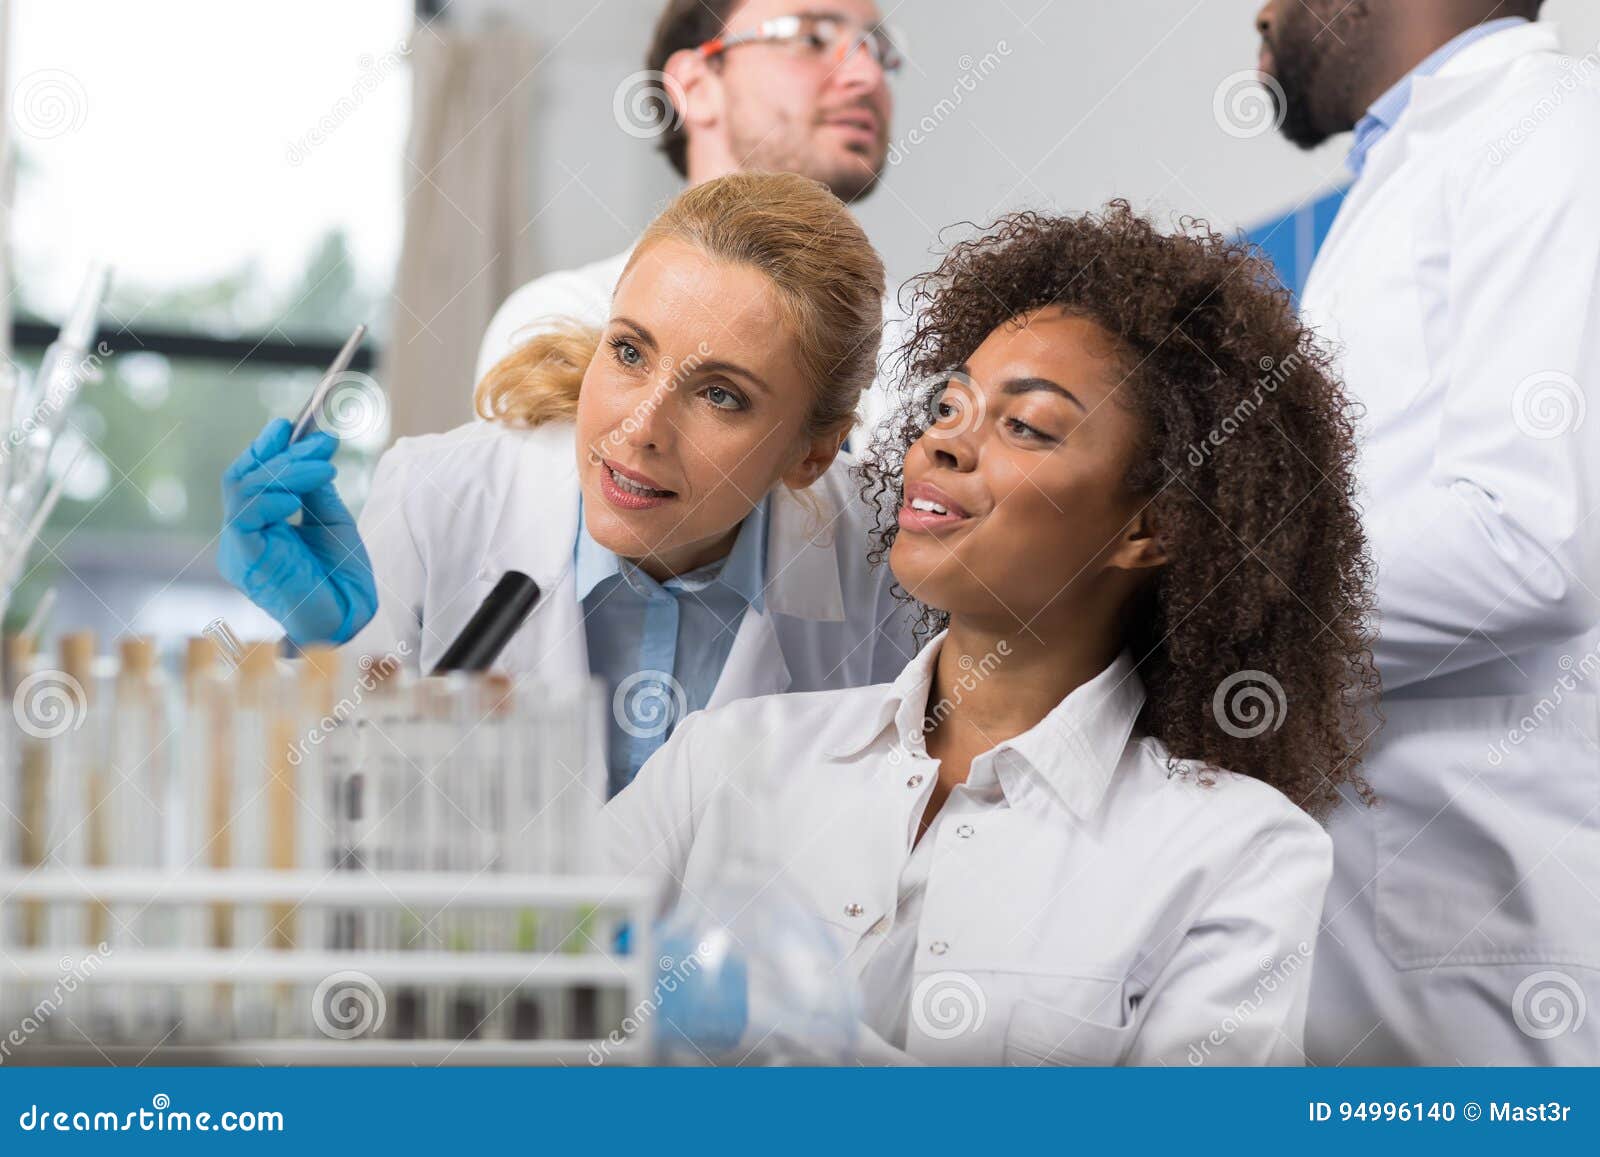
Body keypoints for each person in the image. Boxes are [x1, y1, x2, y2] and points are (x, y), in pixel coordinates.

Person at [604, 203, 1378, 1065]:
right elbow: (509, 1015)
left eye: (1026, 427)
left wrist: (810, 1049)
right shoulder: (727, 757)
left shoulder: (1240, 855)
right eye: (948, 405)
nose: (941, 445)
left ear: (1152, 525)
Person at [219, 171, 915, 797]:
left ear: (813, 452)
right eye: (629, 352)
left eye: (722, 395)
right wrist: (313, 653)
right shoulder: (440, 500)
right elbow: (318, 815)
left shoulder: (880, 564)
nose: (641, 428)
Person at [1256, 0, 1600, 1063]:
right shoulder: (1421, 162)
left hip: (1487, 952)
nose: (1259, 12)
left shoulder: (1549, 126)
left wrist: (1194, 598)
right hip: (1396, 935)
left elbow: (1529, 540)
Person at [475, 0, 898, 384]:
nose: (868, 75)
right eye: (812, 38)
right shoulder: (564, 322)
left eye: (877, 50)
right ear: (695, 86)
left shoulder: (929, 344)